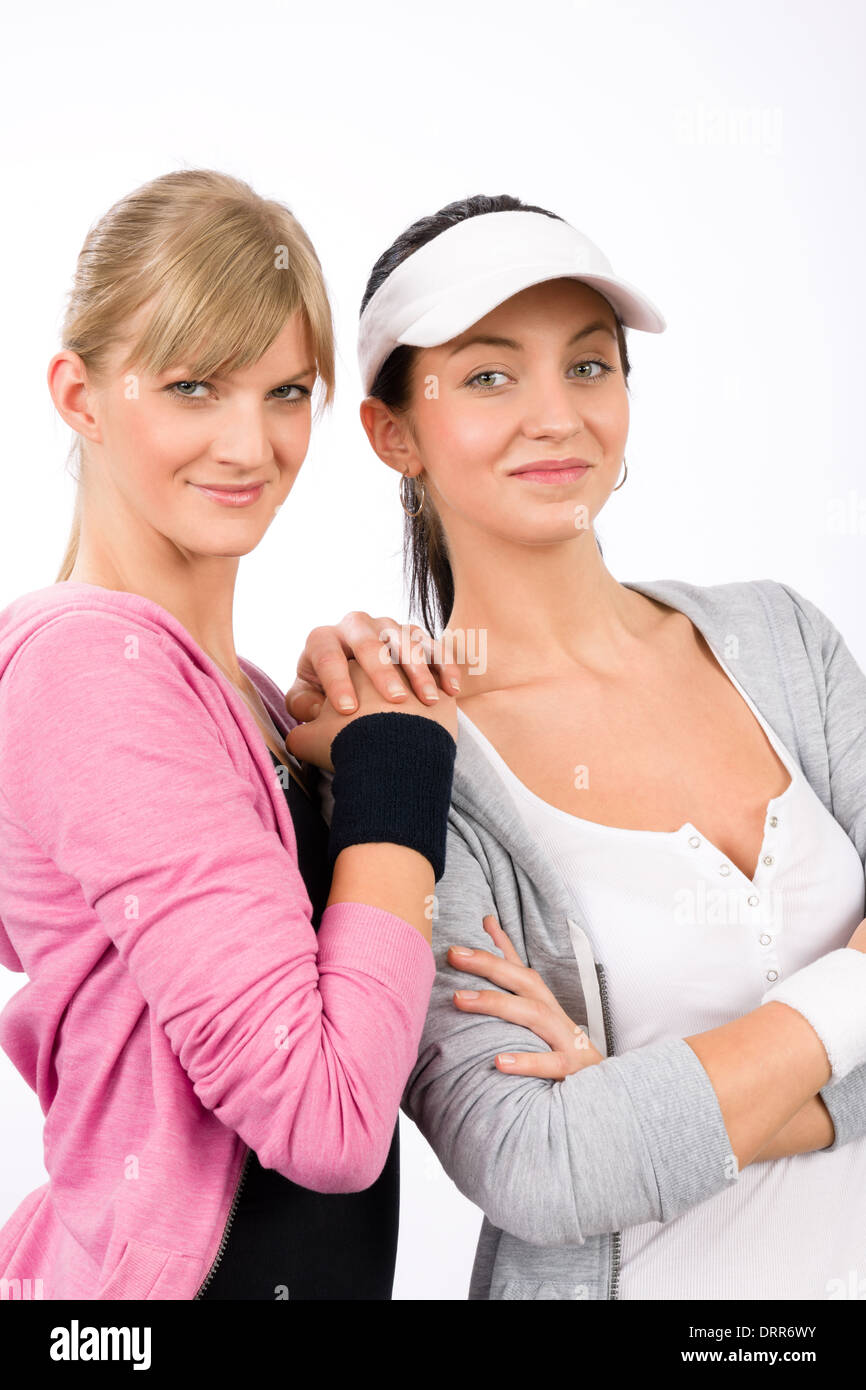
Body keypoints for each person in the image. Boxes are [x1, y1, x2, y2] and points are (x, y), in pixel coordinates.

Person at [284, 193, 866, 1300]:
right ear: (392, 431)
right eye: (491, 375)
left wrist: (646, 1104)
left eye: (589, 367)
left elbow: (600, 1144)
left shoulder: (780, 640)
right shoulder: (405, 764)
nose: (555, 415)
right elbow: (537, 1164)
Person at [0, 168, 462, 1301]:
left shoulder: (236, 698)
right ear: (80, 393)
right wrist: (394, 761)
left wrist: (323, 755)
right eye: (194, 386)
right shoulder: (85, 666)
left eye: (286, 391)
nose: (250, 445)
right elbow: (328, 1119)